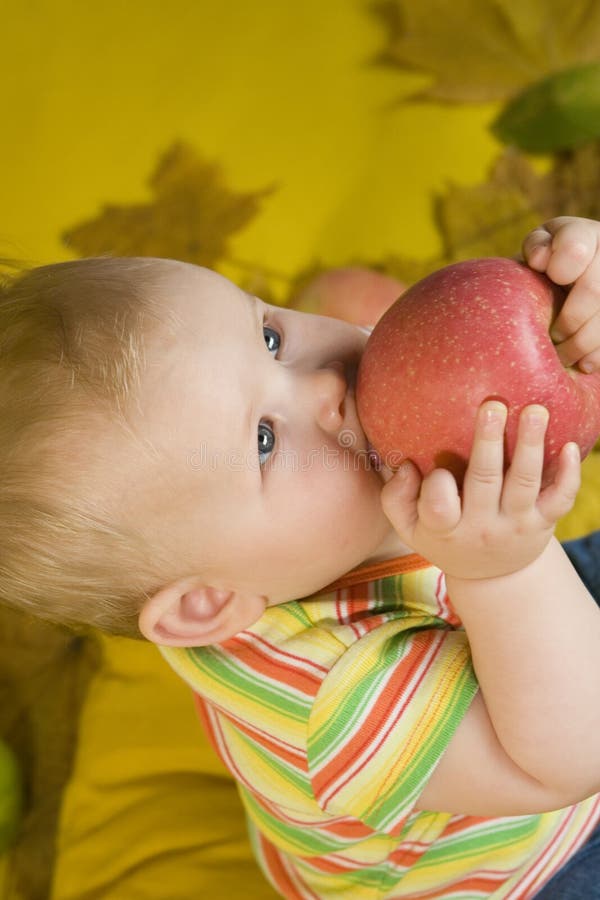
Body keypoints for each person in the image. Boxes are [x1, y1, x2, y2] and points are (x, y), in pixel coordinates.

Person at [1, 216, 600, 898]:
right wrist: (507, 569)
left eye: (269, 337)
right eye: (261, 440)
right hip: (529, 859)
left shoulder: (271, 538)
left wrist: (567, 305)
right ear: (210, 603)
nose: (324, 384)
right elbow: (576, 754)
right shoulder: (334, 693)